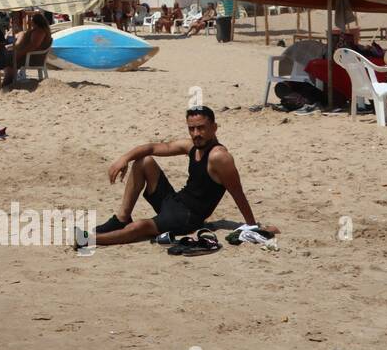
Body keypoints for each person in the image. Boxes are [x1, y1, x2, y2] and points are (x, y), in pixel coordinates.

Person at [89, 106, 276, 247]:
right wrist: (124, 158)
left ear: (214, 128)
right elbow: (153, 148)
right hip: (175, 201)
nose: (196, 134)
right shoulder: (191, 147)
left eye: (201, 128)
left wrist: (252, 225)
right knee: (144, 161)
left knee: (141, 227)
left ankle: (91, 240)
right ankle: (122, 218)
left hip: (187, 217)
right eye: (192, 129)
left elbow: (238, 193)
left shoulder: (219, 157)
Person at [0, 11, 53, 87]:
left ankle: (5, 79)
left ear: (36, 22)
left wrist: (19, 54)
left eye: (31, 20)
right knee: (7, 58)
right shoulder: (39, 30)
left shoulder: (39, 32)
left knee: (7, 59)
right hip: (30, 56)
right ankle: (7, 79)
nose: (30, 22)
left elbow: (33, 46)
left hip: (32, 58)